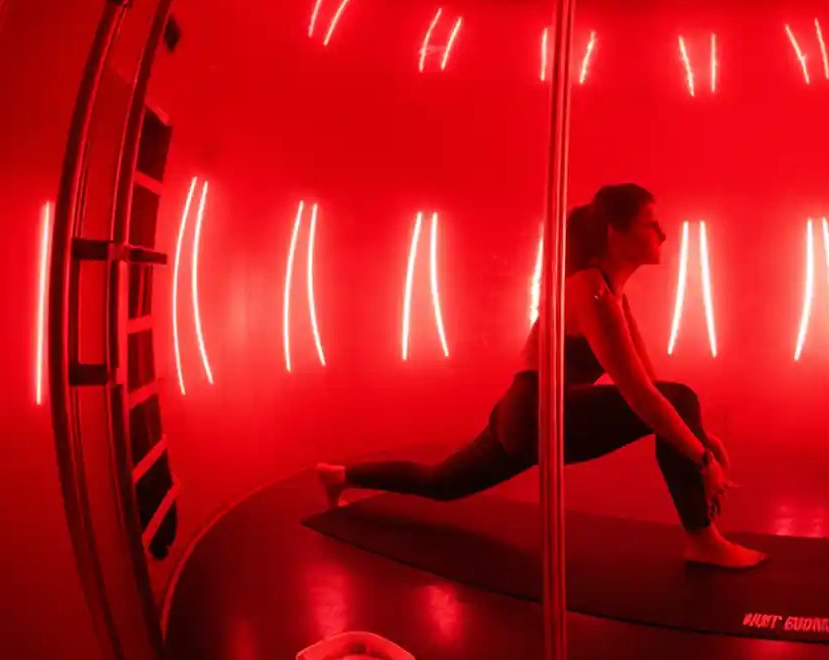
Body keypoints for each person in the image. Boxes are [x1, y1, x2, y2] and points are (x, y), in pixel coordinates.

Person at [317, 184, 766, 568]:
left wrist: (698, 437)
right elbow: (640, 397)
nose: (663, 233)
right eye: (651, 224)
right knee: (682, 399)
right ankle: (703, 541)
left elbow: (649, 386)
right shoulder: (588, 290)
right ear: (616, 233)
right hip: (536, 414)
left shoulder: (610, 294)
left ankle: (340, 475)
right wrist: (702, 460)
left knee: (441, 483)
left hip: (526, 413)